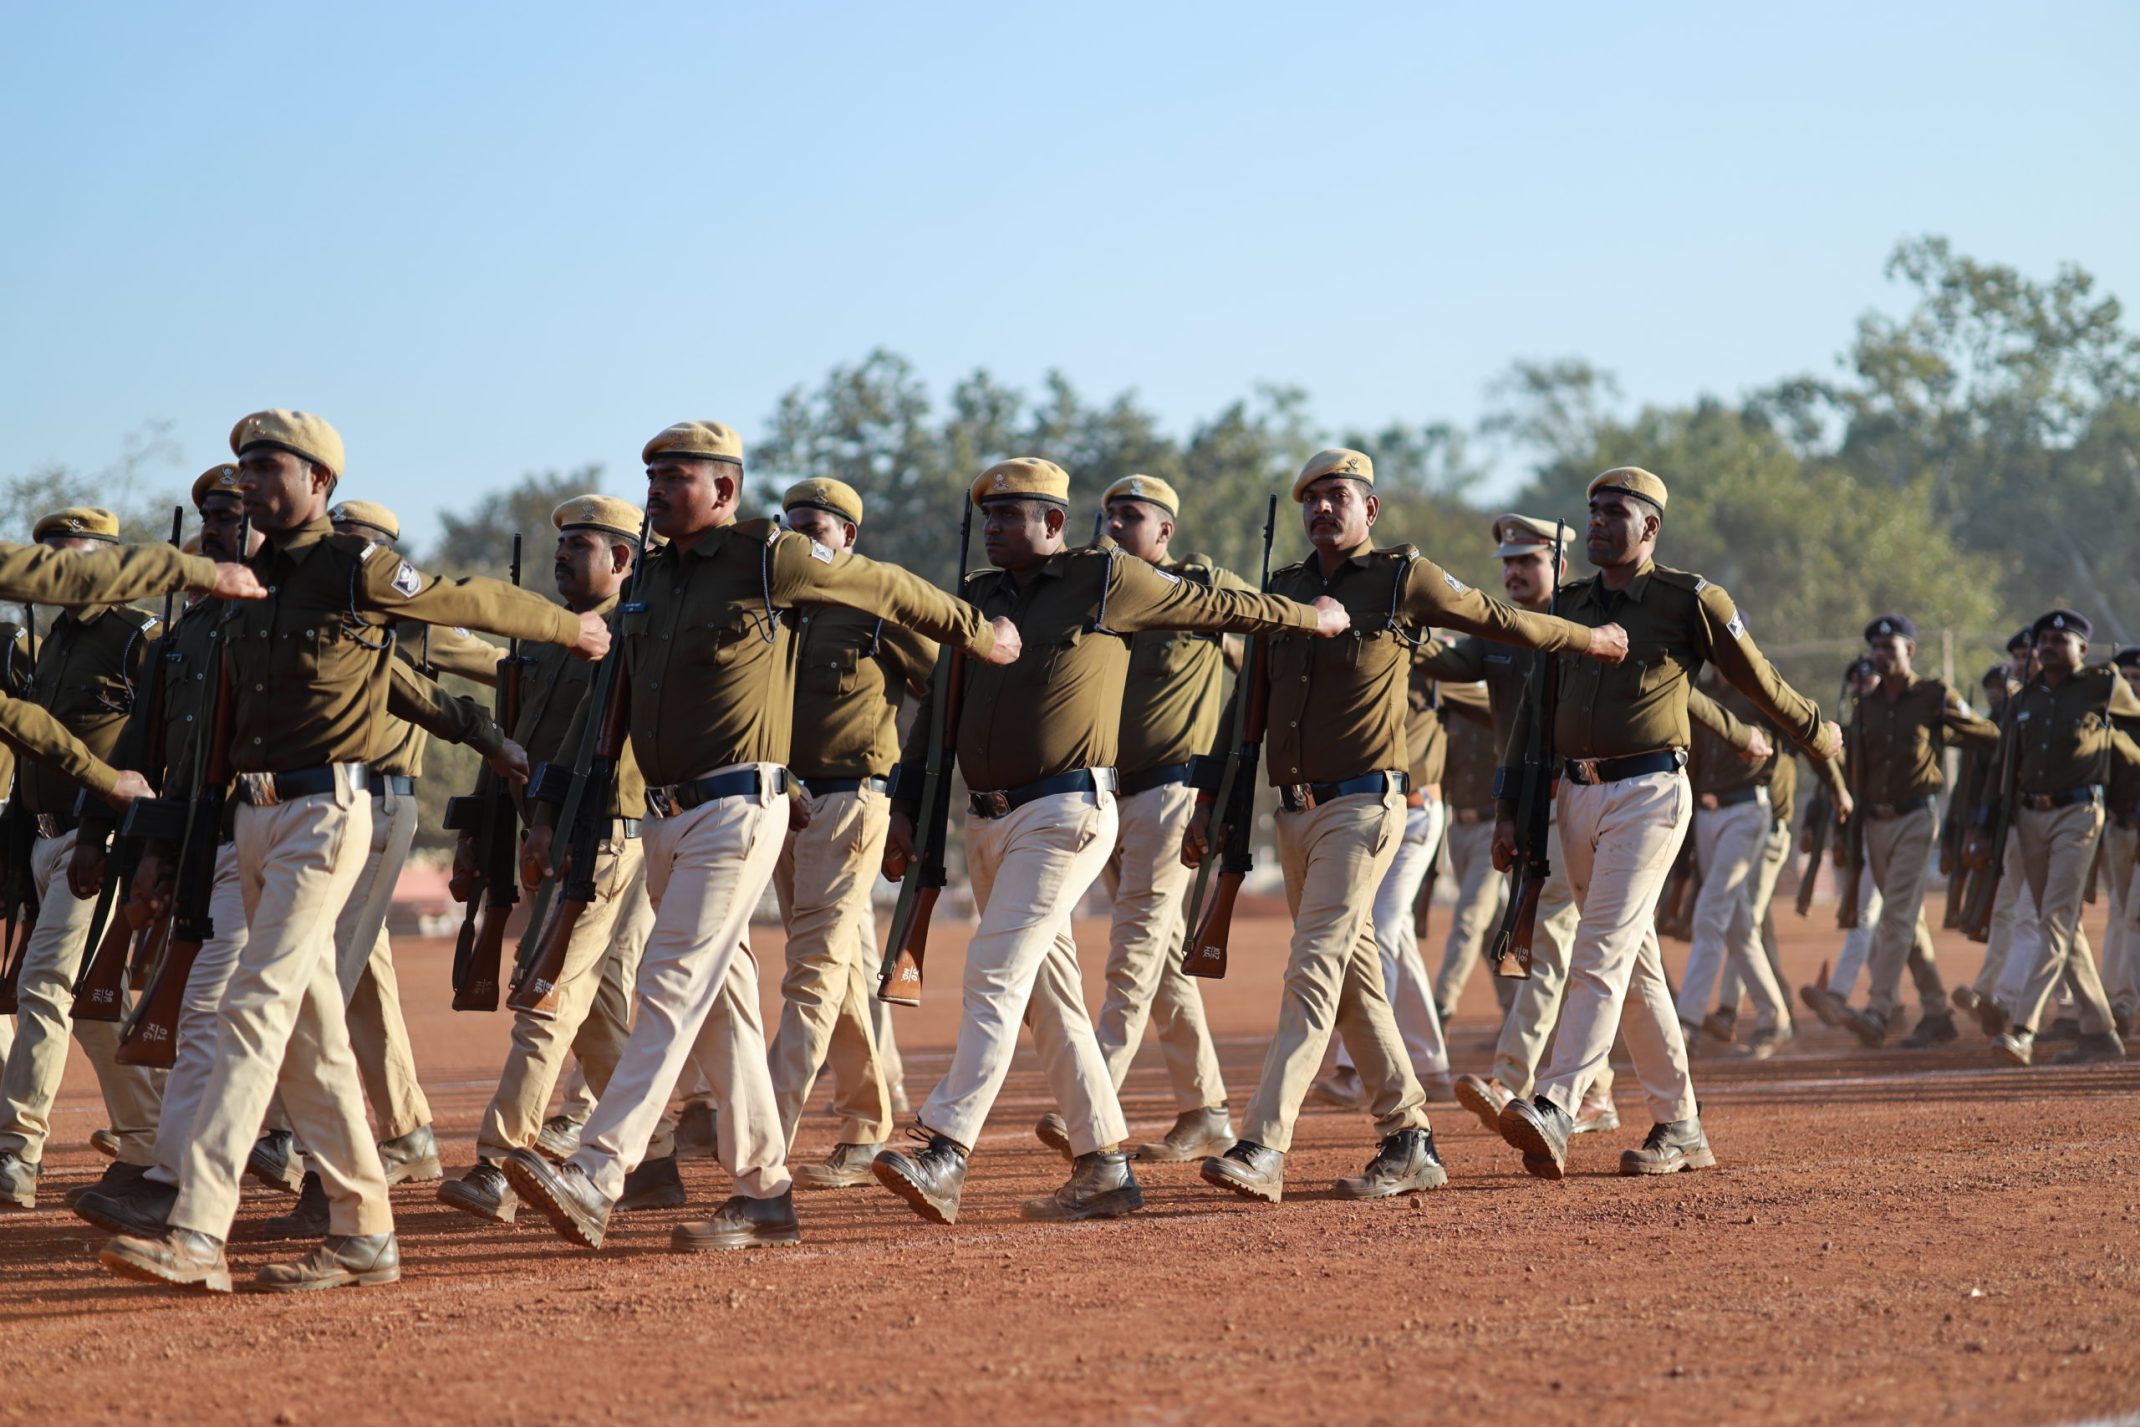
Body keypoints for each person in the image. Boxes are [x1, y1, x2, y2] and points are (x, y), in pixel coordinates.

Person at [98, 407, 603, 1294]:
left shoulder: (351, 566)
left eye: (269, 466)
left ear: (319, 482)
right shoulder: (240, 579)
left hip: (324, 812)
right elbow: (206, 718)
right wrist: (169, 839)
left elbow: (459, 599)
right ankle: (366, 1230)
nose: (249, 481)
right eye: (243, 466)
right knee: (312, 1033)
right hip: (247, 818)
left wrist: (569, 629)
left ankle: (196, 1229)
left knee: (255, 1004)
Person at [503, 419, 1008, 1255]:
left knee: (670, 983)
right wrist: (563, 811)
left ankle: (598, 1168)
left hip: (738, 809)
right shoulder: (650, 580)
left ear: (725, 490)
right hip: (665, 816)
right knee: (723, 1009)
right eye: (653, 475)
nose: (657, 488)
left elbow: (883, 586)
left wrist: (978, 632)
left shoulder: (767, 558)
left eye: (677, 476)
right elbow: (612, 712)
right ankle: (764, 1192)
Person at [871, 457, 1338, 1226]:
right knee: (1049, 998)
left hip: (1064, 812)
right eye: (987, 515)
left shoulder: (1104, 580)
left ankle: (945, 1147)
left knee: (993, 969)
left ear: (1053, 523)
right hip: (983, 820)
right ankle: (1105, 1167)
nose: (992, 528)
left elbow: (1218, 600)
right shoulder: (980, 598)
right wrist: (908, 807)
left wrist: (1308, 618)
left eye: (1009, 515)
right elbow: (938, 716)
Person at [1188, 454, 1627, 1206]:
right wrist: (1213, 798)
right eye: (1312, 499)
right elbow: (1246, 706)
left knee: (1313, 967)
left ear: (1371, 507)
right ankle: (1409, 1136)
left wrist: (1583, 640)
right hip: (1292, 810)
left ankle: (1263, 1142)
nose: (1322, 509)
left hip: (1364, 807)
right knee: (1355, 974)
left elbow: (1497, 619)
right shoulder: (1286, 589)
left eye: (1337, 497)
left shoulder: (1401, 578)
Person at [1492, 467, 1840, 1182]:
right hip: (1576, 793)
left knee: (1599, 948)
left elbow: (1755, 679)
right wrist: (1511, 808)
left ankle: (1556, 1103)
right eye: (1590, 511)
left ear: (1650, 527)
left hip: (1650, 793)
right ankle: (1680, 1124)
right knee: (1636, 964)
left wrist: (1816, 735)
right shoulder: (1573, 602)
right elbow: (1535, 709)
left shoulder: (1690, 599)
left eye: (1613, 512)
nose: (1595, 523)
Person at [1424, 514, 1753, 1134]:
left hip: (1606, 799)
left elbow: (1690, 695)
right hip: (1543, 808)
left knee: (1564, 942)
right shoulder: (1499, 636)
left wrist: (1747, 736)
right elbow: (1450, 665)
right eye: (1508, 564)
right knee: (1615, 956)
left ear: (1560, 566)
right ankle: (1636, 1106)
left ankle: (1521, 1081)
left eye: (1528, 562)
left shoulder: (1595, 622)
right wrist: (1394, 628)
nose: (1516, 573)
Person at [436, 495, 658, 1225]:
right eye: (559, 544)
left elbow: (607, 748)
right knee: (589, 1009)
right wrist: (478, 829)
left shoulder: (637, 633)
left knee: (543, 991)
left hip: (599, 834)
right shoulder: (535, 640)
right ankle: (648, 1155)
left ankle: (501, 1162)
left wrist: (554, 821)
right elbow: (507, 741)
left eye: (581, 545)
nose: (562, 556)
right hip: (544, 834)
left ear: (623, 559)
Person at [1033, 474, 1240, 1167]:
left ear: (1165, 531)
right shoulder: (1108, 599)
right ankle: (1206, 1109)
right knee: (1163, 960)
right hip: (1113, 796)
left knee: (1132, 954)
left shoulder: (1200, 593)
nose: (1113, 526)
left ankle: (1095, 1103)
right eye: (1108, 515)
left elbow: (1260, 643)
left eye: (1131, 516)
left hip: (1174, 796)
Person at [766, 478, 932, 1188]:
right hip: (784, 809)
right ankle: (868, 1124)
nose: (803, 538)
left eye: (817, 526)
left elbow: (944, 693)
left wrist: (908, 806)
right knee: (834, 971)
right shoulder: (772, 611)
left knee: (809, 973)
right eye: (792, 526)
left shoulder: (877, 607)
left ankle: (762, 1135)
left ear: (849, 537)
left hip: (850, 804)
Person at [0, 508, 166, 1209]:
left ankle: (15, 1153)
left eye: (74, 556)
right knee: (94, 1010)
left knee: (42, 985)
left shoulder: (137, 639)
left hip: (93, 843)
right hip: (39, 838)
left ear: (110, 562)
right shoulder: (46, 641)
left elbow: (161, 738)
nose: (60, 571)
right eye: (51, 559)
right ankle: (153, 1140)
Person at [1971, 610, 2135, 1066]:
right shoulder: (2027, 697)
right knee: (2059, 924)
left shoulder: (2104, 686)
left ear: (2082, 649)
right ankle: (2100, 1032)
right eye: (2042, 640)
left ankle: (2023, 1028)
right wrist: (1984, 828)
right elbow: (2004, 765)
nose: (2046, 646)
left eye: (2059, 639)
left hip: (2079, 814)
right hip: (2029, 816)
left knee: (2057, 921)